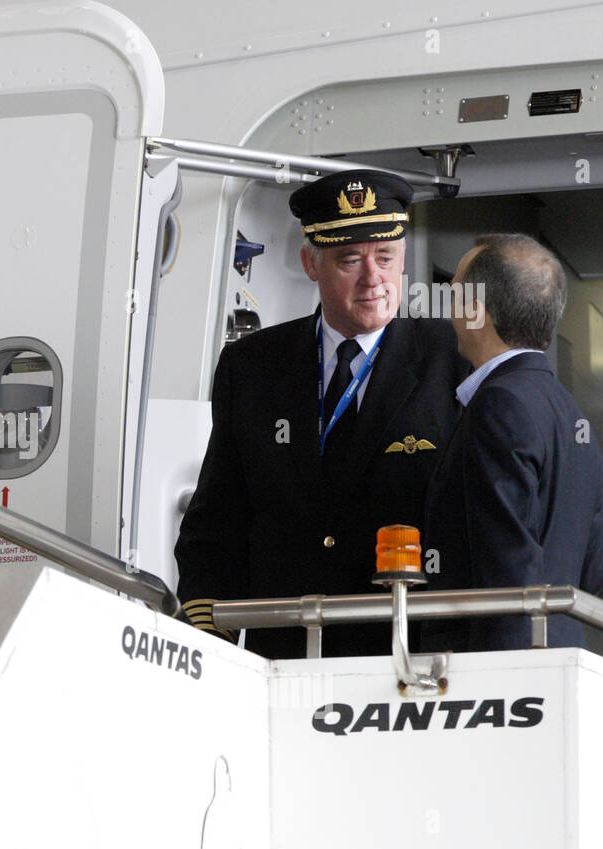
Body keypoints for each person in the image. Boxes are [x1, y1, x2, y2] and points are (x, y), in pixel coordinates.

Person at [174, 169, 467, 659]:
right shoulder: (252, 366)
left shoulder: (452, 358)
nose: (373, 279)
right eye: (350, 260)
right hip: (283, 649)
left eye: (386, 258)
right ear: (311, 263)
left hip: (409, 652)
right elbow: (218, 517)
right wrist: (212, 634)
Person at [421, 234, 603, 651]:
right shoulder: (570, 413)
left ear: (476, 312)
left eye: (454, 294)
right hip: (560, 655)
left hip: (500, 678)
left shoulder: (498, 405)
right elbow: (596, 573)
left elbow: (508, 573)